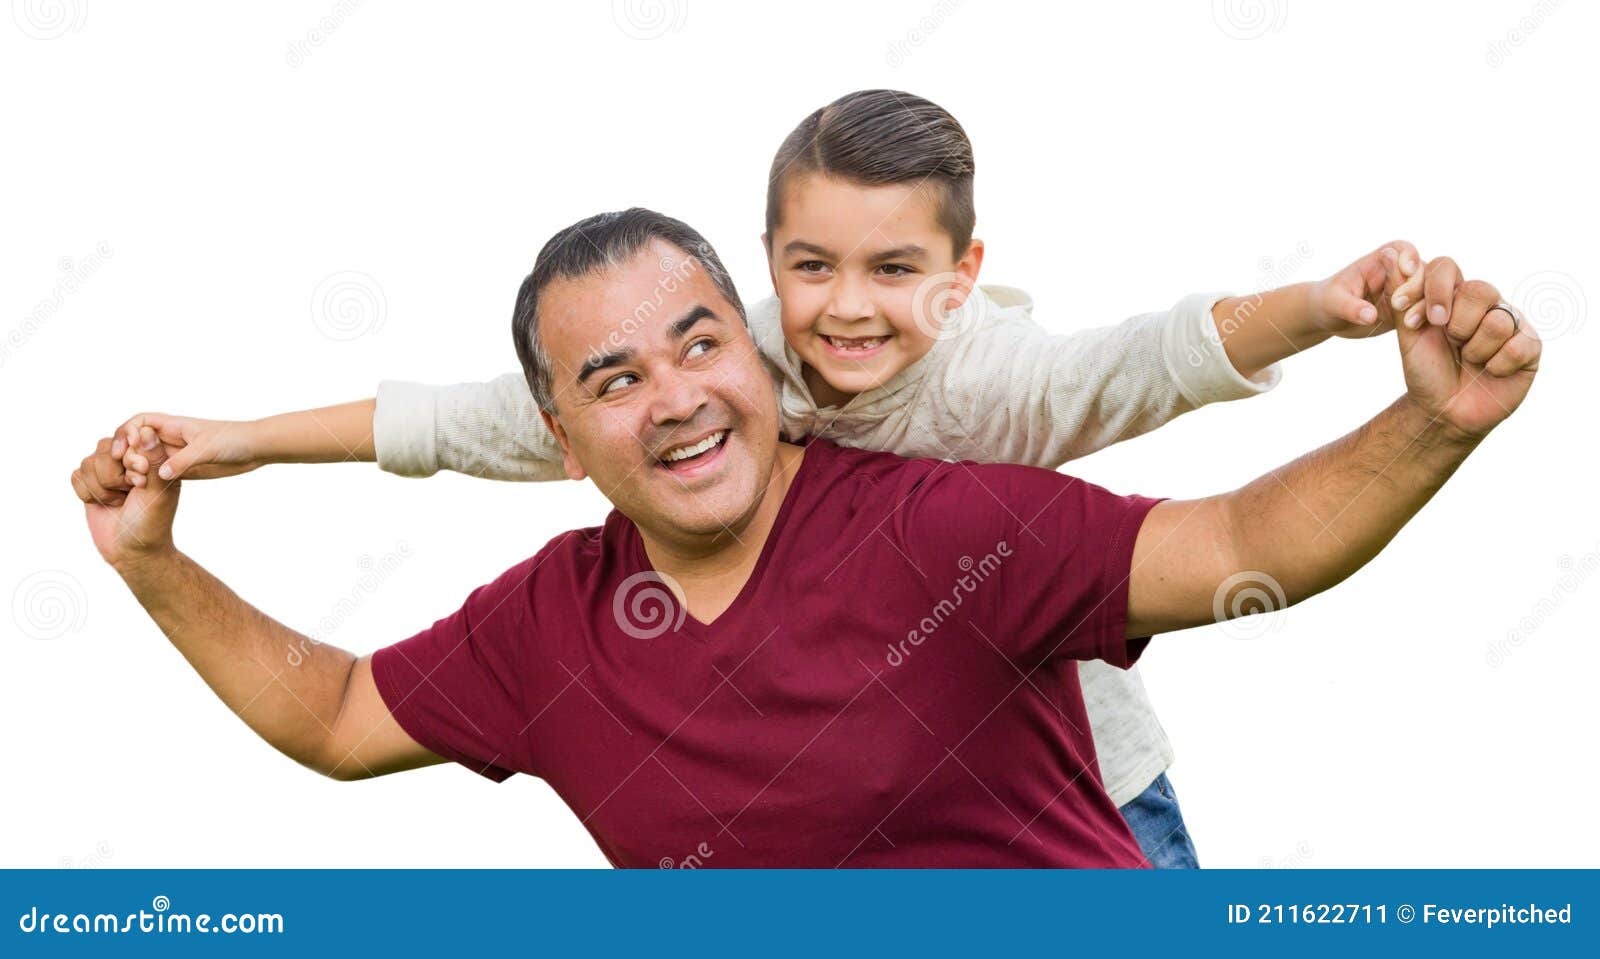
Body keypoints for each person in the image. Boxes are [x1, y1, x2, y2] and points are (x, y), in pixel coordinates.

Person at [93, 90, 1428, 867]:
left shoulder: (967, 461)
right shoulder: (555, 613)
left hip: (1101, 773)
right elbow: (338, 703)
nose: (672, 396)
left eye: (696, 347)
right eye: (616, 383)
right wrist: (182, 512)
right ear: (565, 439)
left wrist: (1358, 344)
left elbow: (1206, 458)